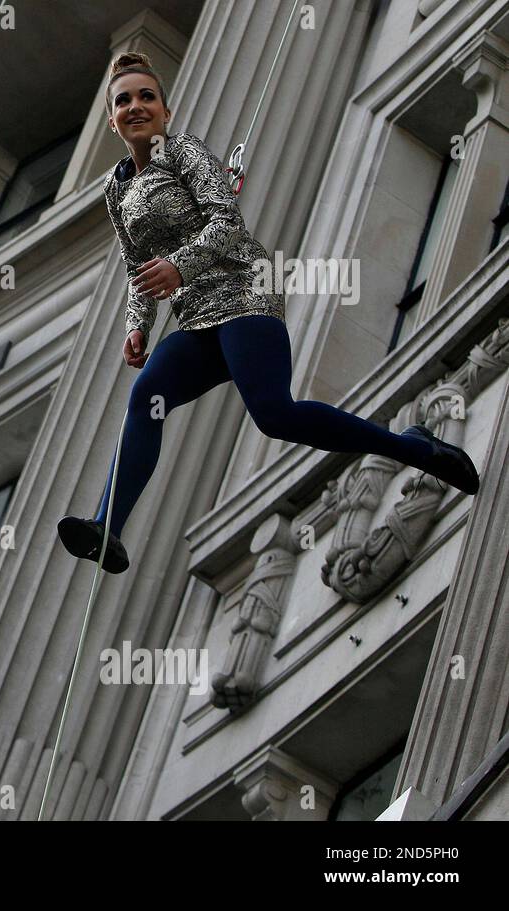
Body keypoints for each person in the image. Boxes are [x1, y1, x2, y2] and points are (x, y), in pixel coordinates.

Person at [58, 51, 480, 573]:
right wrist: (137, 327)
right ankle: (108, 529)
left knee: (274, 415)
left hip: (242, 294)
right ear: (111, 118)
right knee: (147, 396)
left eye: (147, 97)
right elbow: (136, 263)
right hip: (196, 319)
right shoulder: (115, 187)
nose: (136, 106)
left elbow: (226, 221)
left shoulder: (184, 152)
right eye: (124, 100)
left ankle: (411, 447)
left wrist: (180, 267)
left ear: (166, 112)